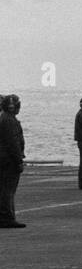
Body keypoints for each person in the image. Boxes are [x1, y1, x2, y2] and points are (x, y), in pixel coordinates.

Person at [0, 94, 25, 228]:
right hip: (9, 160)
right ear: (12, 107)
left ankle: (6, 216)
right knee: (8, 190)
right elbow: (13, 143)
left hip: (5, 159)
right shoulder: (8, 120)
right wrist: (18, 160)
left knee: (5, 189)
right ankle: (6, 217)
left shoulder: (5, 117)